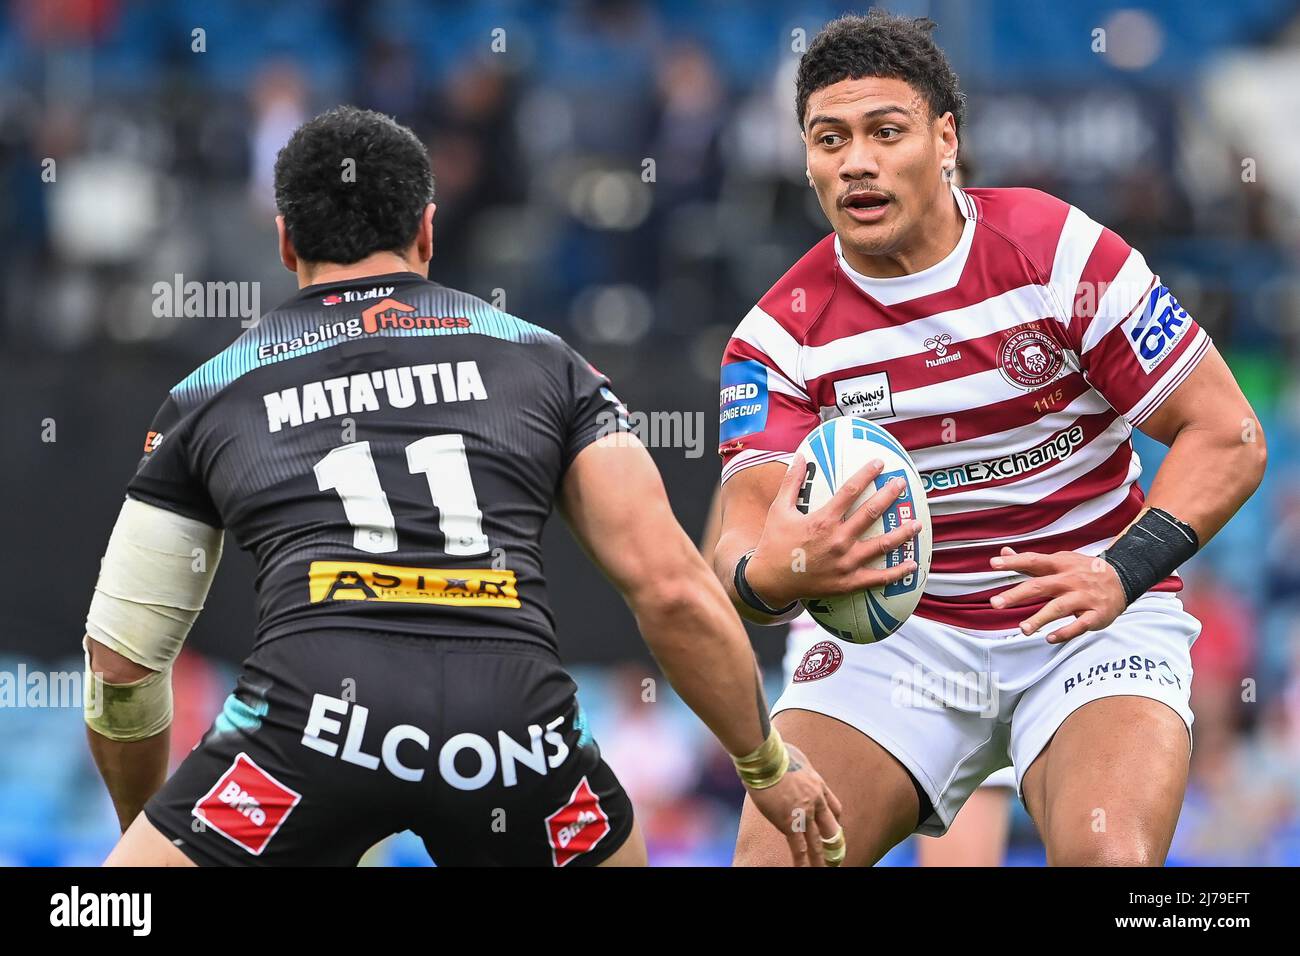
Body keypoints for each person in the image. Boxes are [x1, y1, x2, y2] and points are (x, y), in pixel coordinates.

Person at [82, 106, 842, 867]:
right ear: (427, 230)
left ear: (285, 241)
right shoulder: (547, 362)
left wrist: (146, 827)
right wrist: (765, 766)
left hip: (309, 726)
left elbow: (122, 664)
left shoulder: (209, 392)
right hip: (516, 737)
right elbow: (672, 590)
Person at [712, 12, 1266, 867]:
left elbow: (1228, 434)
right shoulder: (777, 341)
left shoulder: (1060, 257)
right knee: (775, 863)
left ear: (945, 139)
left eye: (884, 132)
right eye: (829, 139)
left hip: (1088, 619)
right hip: (896, 643)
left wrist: (1123, 571)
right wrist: (782, 573)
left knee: (1109, 860)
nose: (855, 160)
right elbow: (739, 552)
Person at [702, 490, 1014, 866]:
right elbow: (732, 538)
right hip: (835, 634)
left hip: (980, 605)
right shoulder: (774, 445)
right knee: (792, 848)